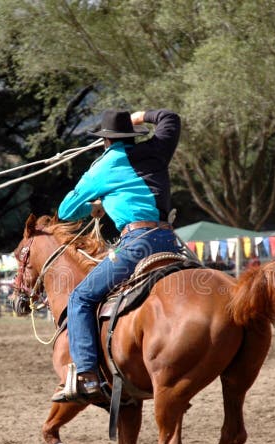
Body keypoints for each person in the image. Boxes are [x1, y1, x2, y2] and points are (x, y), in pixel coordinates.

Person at [51, 108, 182, 403]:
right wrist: (142, 116)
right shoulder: (158, 149)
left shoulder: (102, 167)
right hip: (168, 241)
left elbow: (64, 211)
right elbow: (170, 118)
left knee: (80, 298)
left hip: (137, 244)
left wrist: (93, 207)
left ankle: (86, 375)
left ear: (104, 141)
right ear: (132, 134)